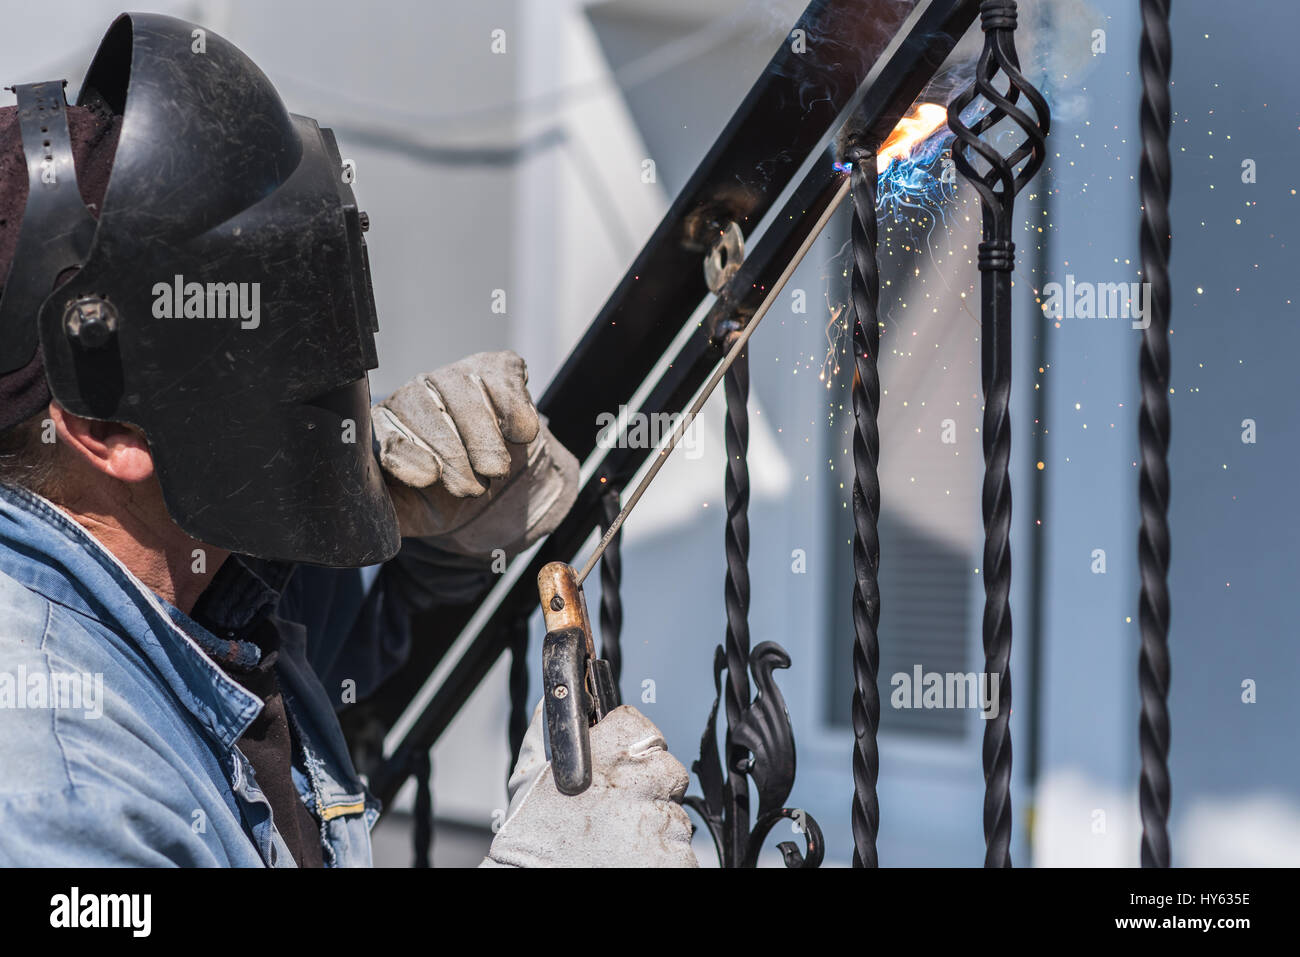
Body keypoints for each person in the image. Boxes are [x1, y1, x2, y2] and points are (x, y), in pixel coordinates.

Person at [0, 12, 695, 867]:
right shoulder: (54, 784)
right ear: (109, 425)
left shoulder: (193, 581)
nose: (323, 375)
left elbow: (336, 649)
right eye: (273, 335)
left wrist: (434, 543)